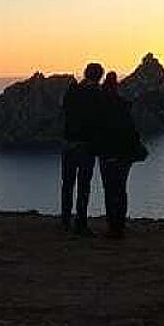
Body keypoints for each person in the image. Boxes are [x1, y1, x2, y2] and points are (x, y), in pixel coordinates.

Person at [98, 71, 147, 239]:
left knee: (109, 190)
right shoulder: (124, 105)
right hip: (125, 155)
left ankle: (113, 226)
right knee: (121, 189)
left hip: (108, 153)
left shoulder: (101, 107)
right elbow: (132, 131)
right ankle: (120, 225)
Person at [61, 62, 106, 235]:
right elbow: (100, 119)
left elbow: (65, 109)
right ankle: (80, 223)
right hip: (86, 145)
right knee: (83, 185)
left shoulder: (72, 90)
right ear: (99, 76)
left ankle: (65, 220)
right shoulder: (97, 94)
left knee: (67, 184)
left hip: (68, 143)